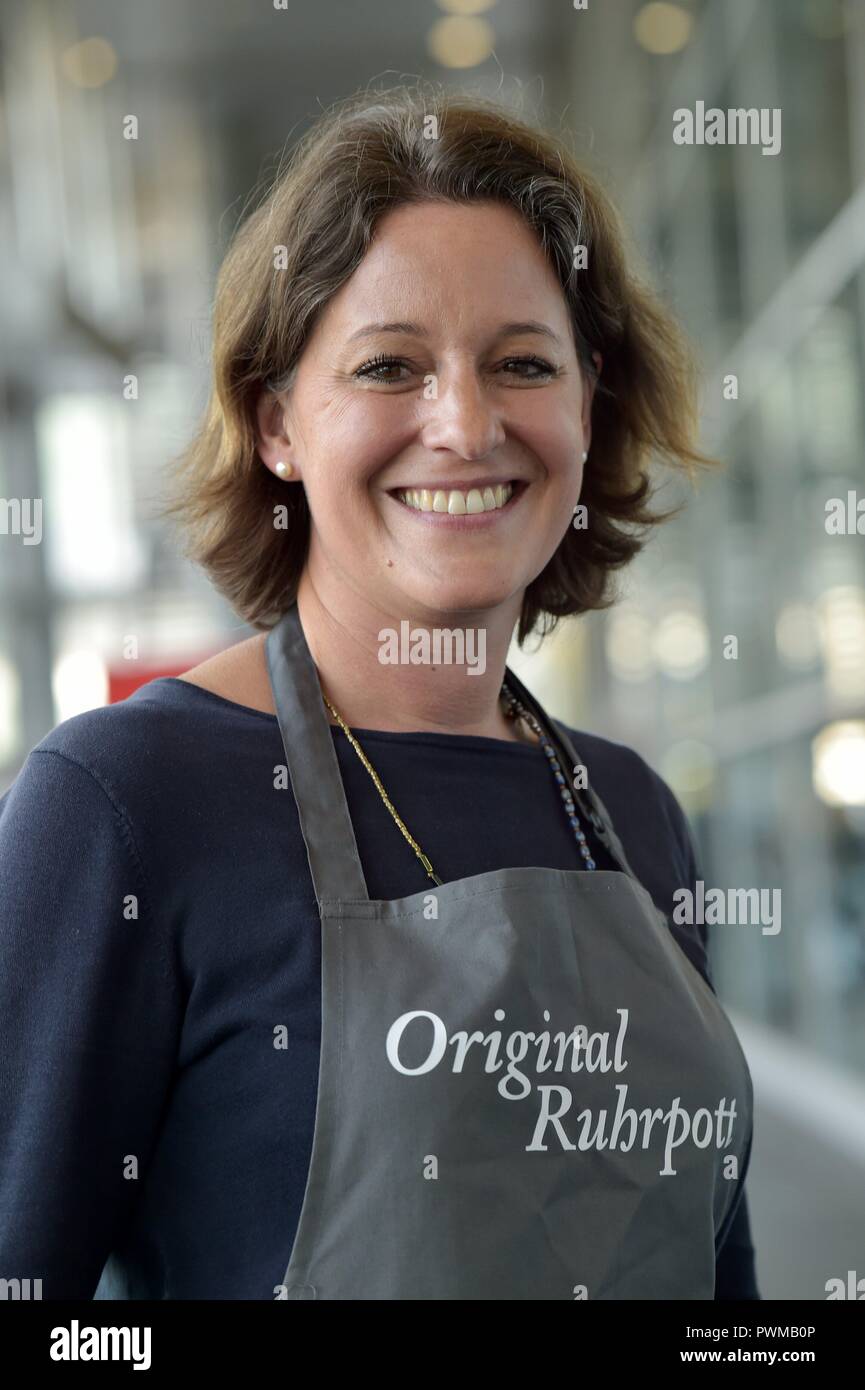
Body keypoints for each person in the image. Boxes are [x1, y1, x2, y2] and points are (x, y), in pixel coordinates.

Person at [0, 83, 759, 1300]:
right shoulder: (124, 808)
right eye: (389, 366)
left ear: (585, 401)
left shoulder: (630, 813)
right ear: (277, 424)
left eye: (520, 362)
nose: (463, 424)